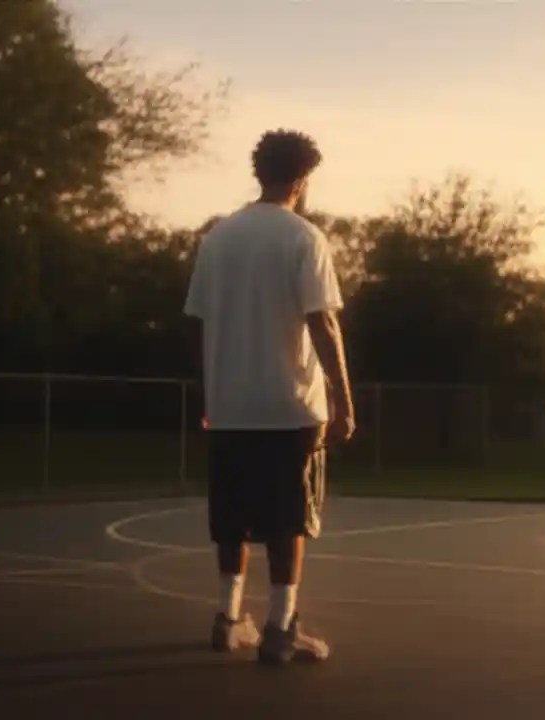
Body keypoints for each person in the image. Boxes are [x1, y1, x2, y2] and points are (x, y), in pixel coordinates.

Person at [183, 129, 355, 665]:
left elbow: (202, 324)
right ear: (303, 179)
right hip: (289, 406)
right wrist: (345, 401)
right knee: (287, 520)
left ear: (258, 172)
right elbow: (322, 321)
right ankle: (281, 628)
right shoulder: (304, 238)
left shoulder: (218, 239)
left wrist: (212, 393)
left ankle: (228, 619)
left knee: (231, 518)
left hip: (231, 405)